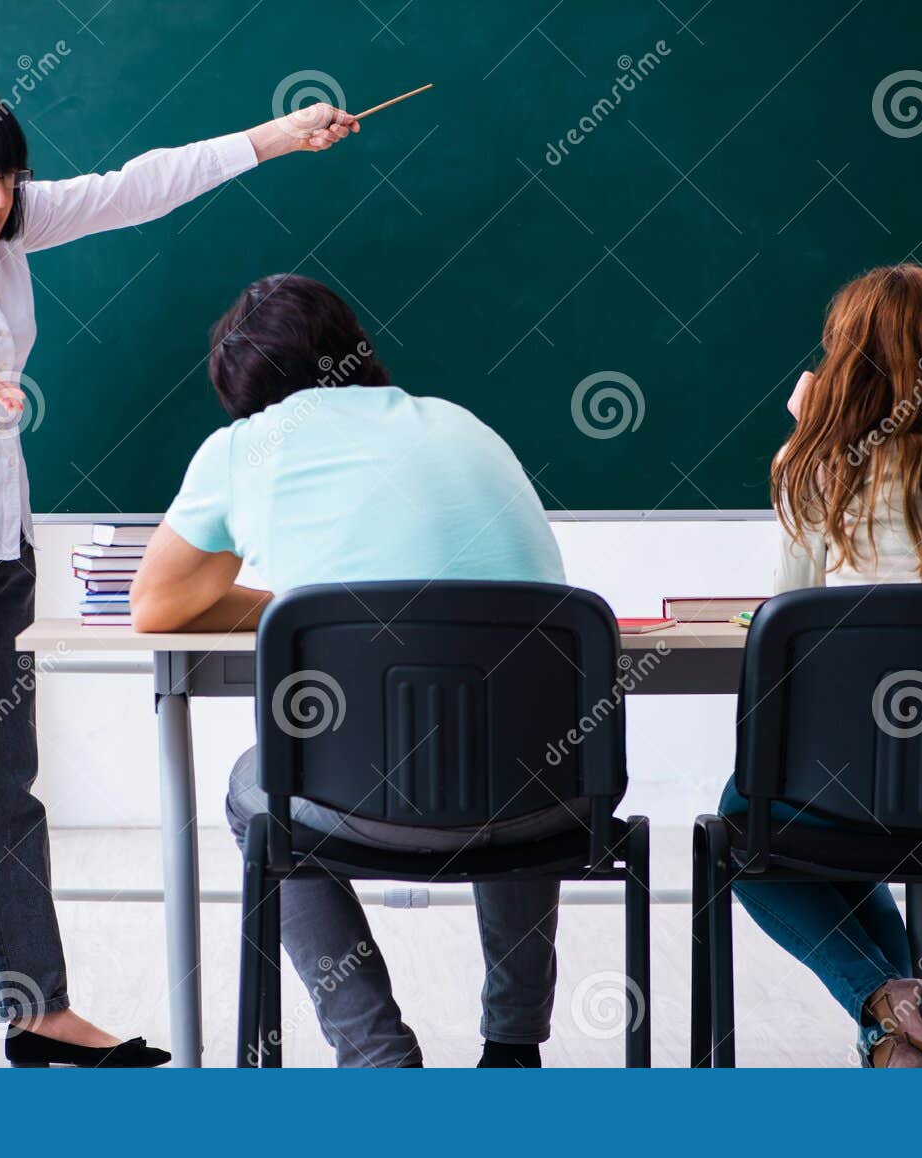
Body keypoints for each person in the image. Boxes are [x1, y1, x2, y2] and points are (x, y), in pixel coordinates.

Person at [0, 82, 358, 1069]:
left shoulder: (9, 230)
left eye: (8, 178)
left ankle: (38, 1013)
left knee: (7, 788)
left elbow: (135, 187)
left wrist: (274, 136)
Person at [130, 274, 572, 1068]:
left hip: (360, 797)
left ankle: (376, 1056)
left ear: (247, 394)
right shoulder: (464, 425)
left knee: (258, 796)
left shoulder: (243, 449)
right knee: (508, 737)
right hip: (544, 795)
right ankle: (513, 1046)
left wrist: (298, 608)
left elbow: (157, 606)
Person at [722, 263, 922, 1068]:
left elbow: (788, 622)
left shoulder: (818, 466)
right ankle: (909, 1029)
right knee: (824, 826)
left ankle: (887, 1004)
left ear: (847, 362)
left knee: (746, 824)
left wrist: (808, 436)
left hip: (858, 784)